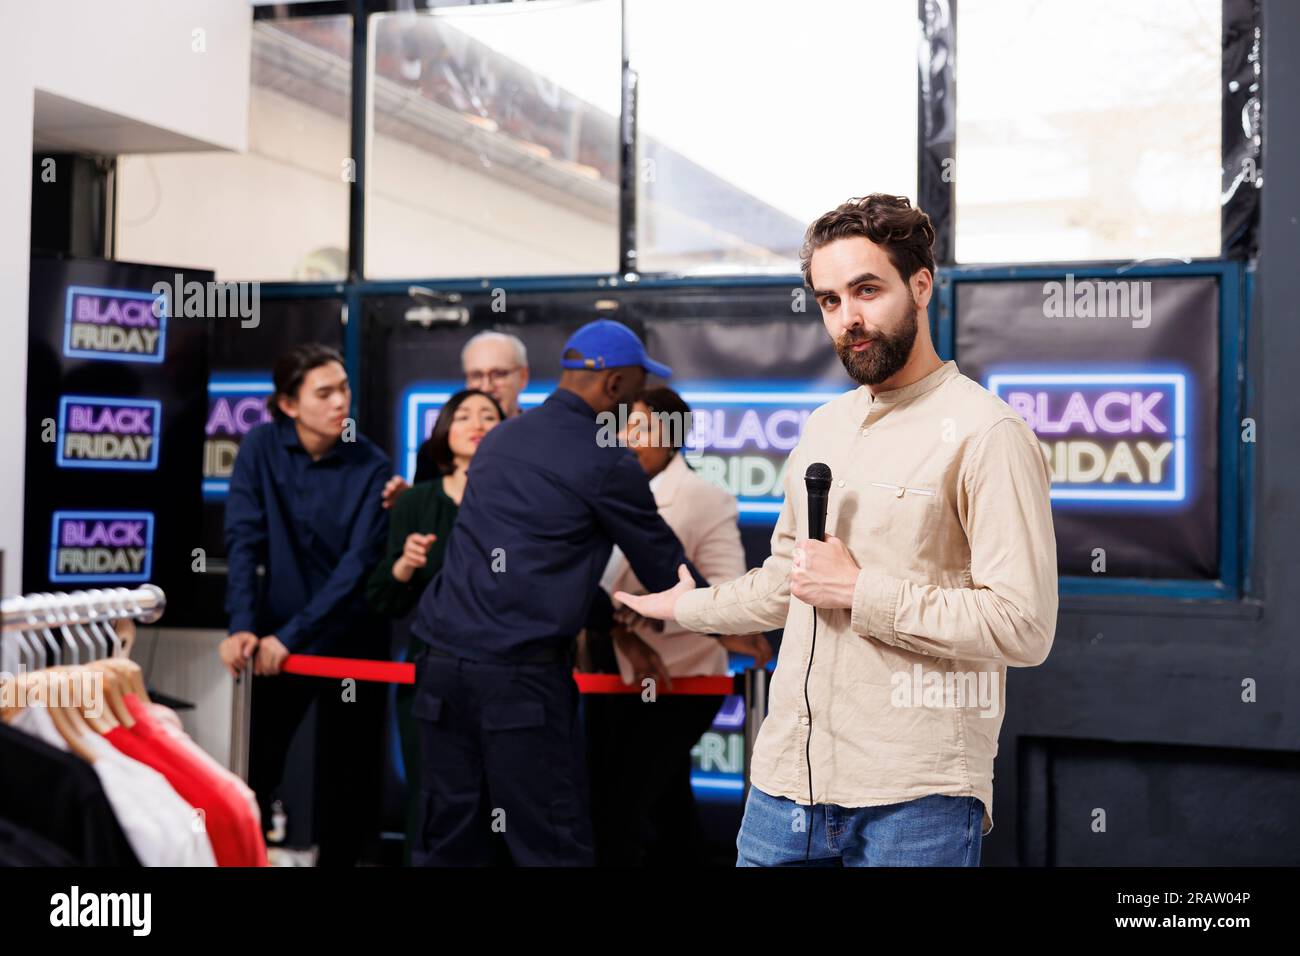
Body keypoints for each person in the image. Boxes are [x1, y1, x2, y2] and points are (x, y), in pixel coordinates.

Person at [616, 194, 1059, 868]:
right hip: (784, 784)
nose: (847, 319)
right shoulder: (824, 426)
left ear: (920, 285)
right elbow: (788, 583)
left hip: (914, 797)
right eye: (828, 300)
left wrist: (862, 591)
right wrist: (684, 605)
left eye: (866, 290)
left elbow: (1023, 625)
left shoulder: (988, 434)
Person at [408, 319, 714, 866]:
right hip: (518, 679)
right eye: (638, 390)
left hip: (439, 669)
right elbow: (667, 568)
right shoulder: (606, 460)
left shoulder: (502, 438)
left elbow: (516, 563)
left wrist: (607, 614)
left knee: (449, 840)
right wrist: (742, 621)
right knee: (550, 845)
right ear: (616, 386)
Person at [584, 386, 773, 866]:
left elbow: (725, 593)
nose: (627, 437)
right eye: (622, 425)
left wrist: (652, 615)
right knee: (664, 803)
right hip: (608, 670)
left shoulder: (704, 499)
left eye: (641, 427)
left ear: (673, 437)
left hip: (680, 677)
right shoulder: (599, 488)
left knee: (620, 806)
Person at [218, 343, 390, 866]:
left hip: (350, 641)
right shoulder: (260, 449)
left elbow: (355, 570)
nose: (341, 402)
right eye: (325, 392)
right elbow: (244, 541)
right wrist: (242, 625)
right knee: (254, 768)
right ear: (290, 405)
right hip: (273, 641)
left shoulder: (373, 463)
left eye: (344, 388)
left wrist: (290, 636)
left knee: (349, 778)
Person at [365, 388, 503, 862]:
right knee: (433, 799)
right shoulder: (415, 502)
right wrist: (404, 564)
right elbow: (383, 598)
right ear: (445, 430)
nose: (477, 422)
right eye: (464, 414)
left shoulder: (516, 501)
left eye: (489, 415)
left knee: (498, 802)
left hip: (504, 674)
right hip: (431, 675)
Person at [383, 330, 530, 505]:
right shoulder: (434, 453)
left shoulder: (542, 444)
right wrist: (413, 502)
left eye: (498, 374)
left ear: (523, 376)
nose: (486, 386)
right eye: (476, 375)